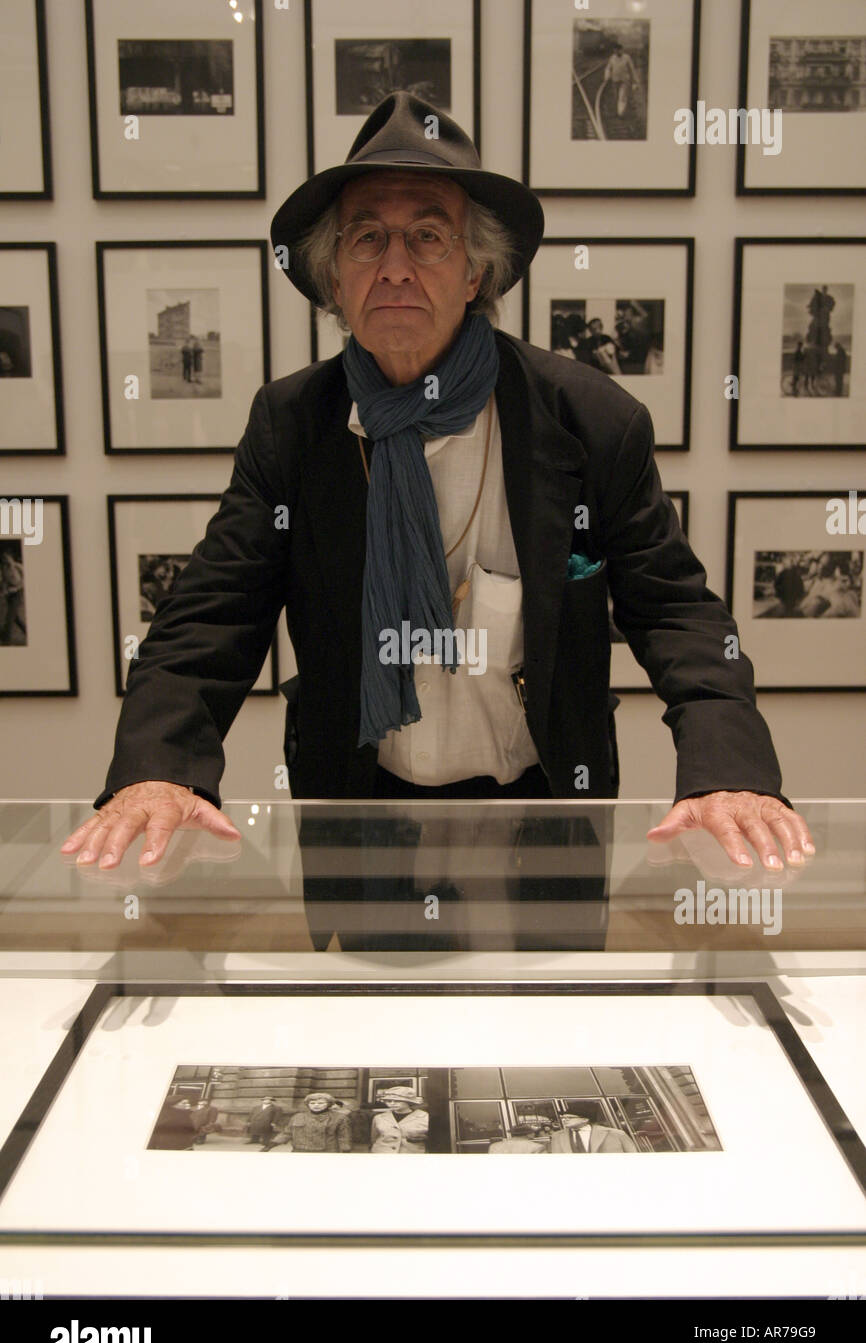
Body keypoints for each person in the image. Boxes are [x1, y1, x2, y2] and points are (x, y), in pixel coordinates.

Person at [62, 91, 813, 886]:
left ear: (475, 270)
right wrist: (158, 768)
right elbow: (211, 617)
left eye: (427, 236)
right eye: (366, 239)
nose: (394, 266)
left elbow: (677, 612)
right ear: (331, 276)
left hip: (547, 805)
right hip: (358, 809)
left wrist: (728, 768)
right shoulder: (292, 425)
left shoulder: (592, 421)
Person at [281, 1092, 353, 1152]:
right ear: (308, 1104)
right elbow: (287, 1132)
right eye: (312, 1103)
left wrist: (345, 1150)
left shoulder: (339, 1118)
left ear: (328, 1104)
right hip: (300, 1151)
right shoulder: (298, 1116)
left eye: (320, 1103)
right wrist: (273, 1143)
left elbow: (344, 1137)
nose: (316, 1105)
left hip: (326, 1152)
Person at [369, 1086, 429, 1153]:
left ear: (409, 1102)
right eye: (388, 1101)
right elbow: (374, 1138)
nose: (392, 1103)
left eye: (397, 1101)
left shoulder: (424, 1117)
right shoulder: (379, 1118)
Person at [547, 1112, 637, 1153]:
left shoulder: (616, 1134)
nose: (564, 1120)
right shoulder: (557, 1136)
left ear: (585, 1119)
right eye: (563, 1118)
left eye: (569, 1117)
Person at [488, 1122, 552, 1154]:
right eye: (533, 1132)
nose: (534, 1134)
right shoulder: (537, 1147)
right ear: (528, 1134)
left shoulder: (494, 1146)